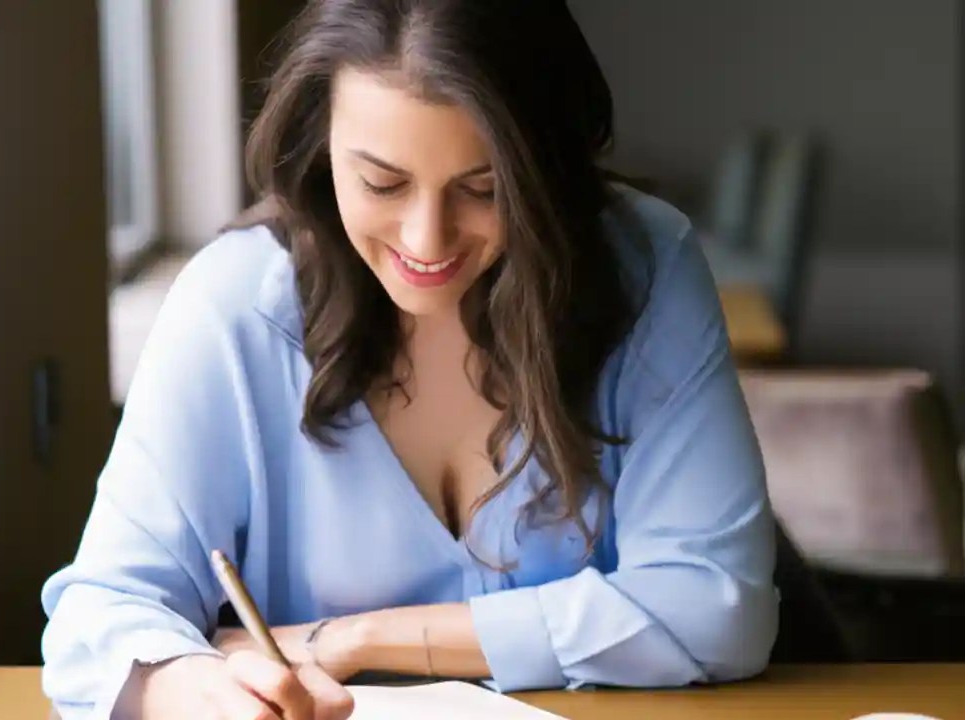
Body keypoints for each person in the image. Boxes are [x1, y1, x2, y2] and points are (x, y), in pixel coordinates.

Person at [40, 1, 778, 718]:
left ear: (547, 168)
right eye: (382, 183)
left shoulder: (641, 267)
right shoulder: (235, 303)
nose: (427, 241)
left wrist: (356, 640)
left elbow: (718, 606)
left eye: (485, 189)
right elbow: (98, 618)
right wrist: (198, 693)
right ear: (320, 140)